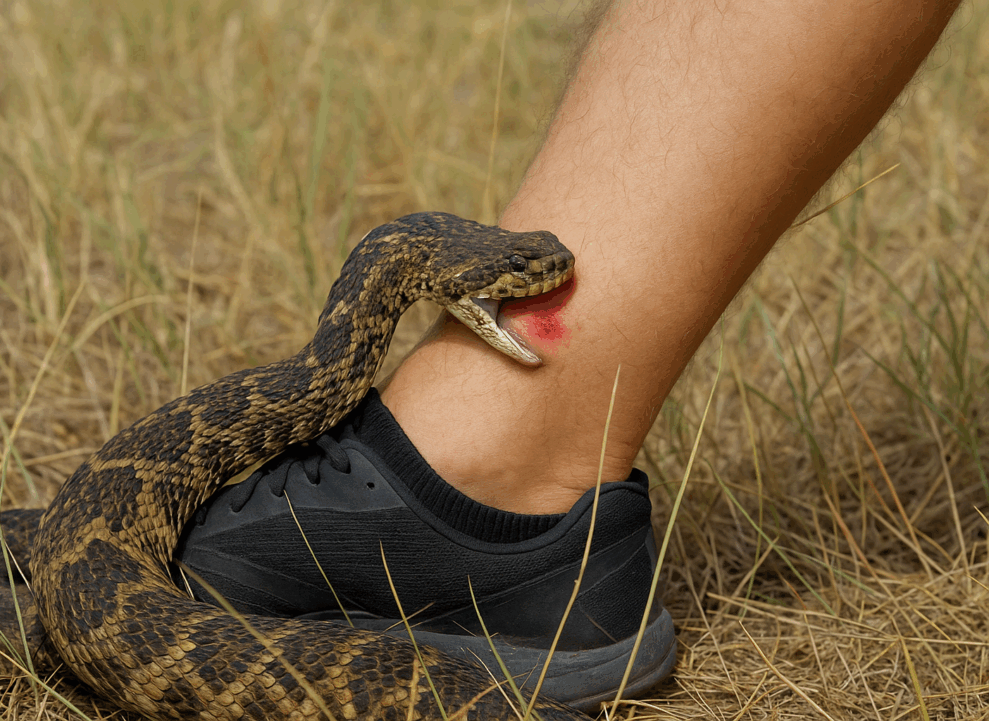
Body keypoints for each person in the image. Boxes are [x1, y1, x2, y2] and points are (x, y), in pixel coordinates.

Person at [175, 0, 965, 711]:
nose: (544, 277)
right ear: (447, 275)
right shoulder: (405, 270)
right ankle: (493, 471)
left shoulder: (431, 265)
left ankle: (491, 476)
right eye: (521, 272)